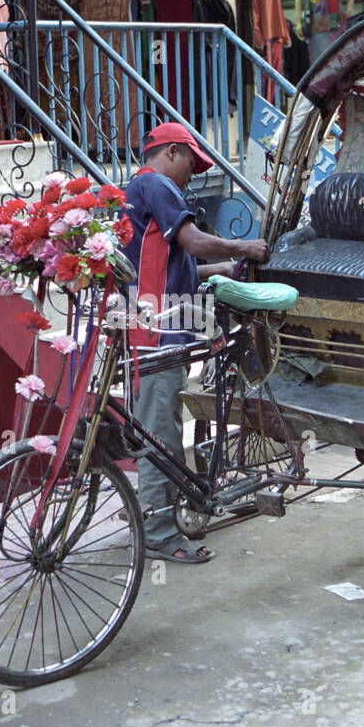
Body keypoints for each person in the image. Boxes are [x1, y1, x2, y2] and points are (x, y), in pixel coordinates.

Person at [122, 123, 270, 564]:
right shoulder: (157, 184)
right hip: (157, 333)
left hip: (148, 326)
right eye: (191, 163)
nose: (192, 175)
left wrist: (216, 270)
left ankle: (159, 517)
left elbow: (168, 265)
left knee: (157, 426)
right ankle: (160, 534)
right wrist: (245, 248)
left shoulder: (134, 192)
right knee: (160, 435)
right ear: (171, 152)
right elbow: (193, 241)